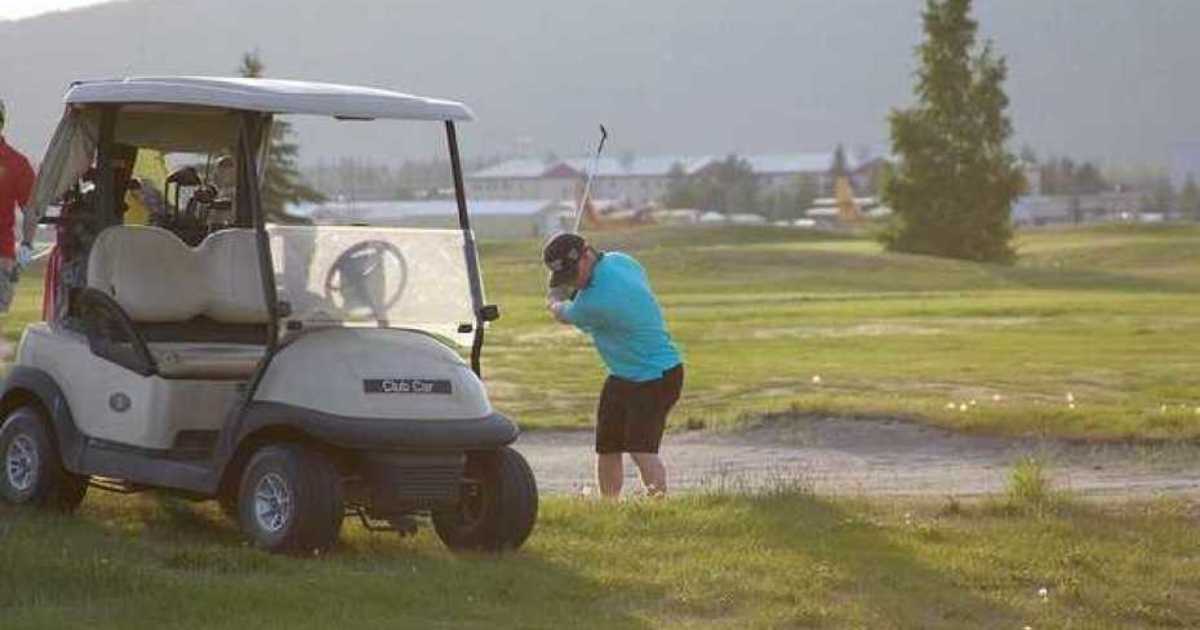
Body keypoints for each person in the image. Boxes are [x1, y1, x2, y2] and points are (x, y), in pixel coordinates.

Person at [543, 232, 683, 497]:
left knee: (641, 448)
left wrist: (554, 298)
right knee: (607, 445)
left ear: (586, 256)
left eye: (573, 274)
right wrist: (569, 288)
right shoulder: (621, 260)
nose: (573, 281)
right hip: (624, 373)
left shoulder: (597, 302)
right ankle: (609, 506)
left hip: (656, 375)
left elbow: (564, 313)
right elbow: (584, 290)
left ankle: (660, 506)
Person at [0, 99, 36, 314]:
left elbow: (31, 210)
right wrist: (27, 247)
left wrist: (26, 247)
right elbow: (32, 211)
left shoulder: (16, 163)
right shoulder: (16, 162)